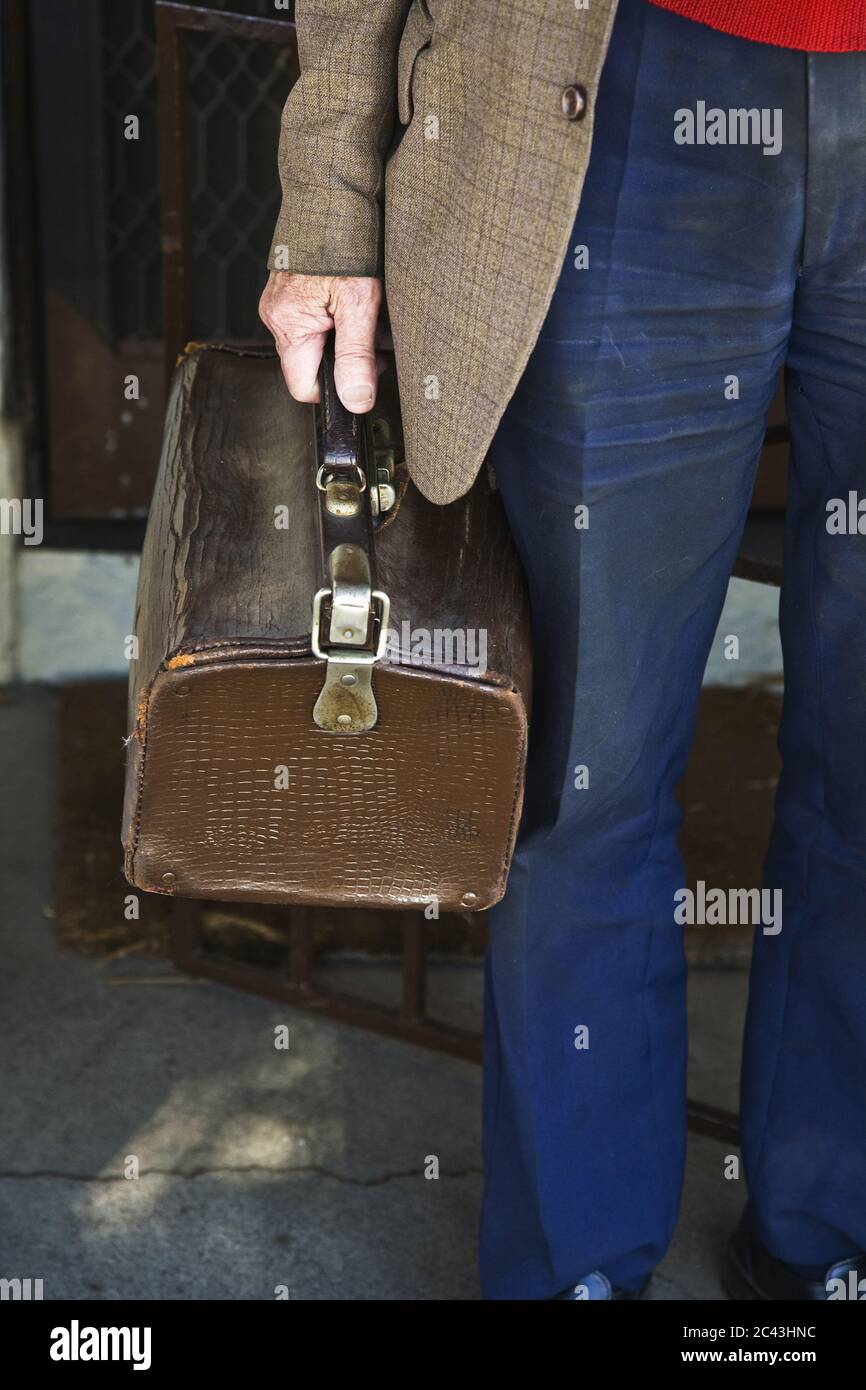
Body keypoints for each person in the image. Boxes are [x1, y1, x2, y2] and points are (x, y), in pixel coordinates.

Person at [260, 0, 866, 1300]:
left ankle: (830, 1228)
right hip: (619, 94)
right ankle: (576, 1269)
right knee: (583, 777)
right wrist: (330, 185)